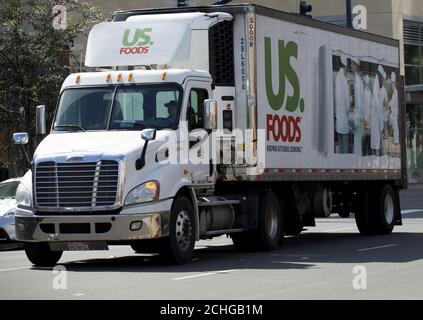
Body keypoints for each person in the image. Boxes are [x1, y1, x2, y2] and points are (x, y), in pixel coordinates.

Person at [335, 54, 351, 154]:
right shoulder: (344, 80)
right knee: (345, 144)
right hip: (344, 118)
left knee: (340, 143)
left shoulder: (337, 77)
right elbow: (346, 102)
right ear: (345, 66)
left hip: (339, 117)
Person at [351, 57, 364, 156]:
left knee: (357, 142)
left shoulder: (358, 81)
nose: (351, 66)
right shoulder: (357, 79)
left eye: (352, 64)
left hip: (358, 116)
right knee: (357, 141)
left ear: (356, 65)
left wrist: (357, 117)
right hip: (357, 115)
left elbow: (359, 100)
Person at [362, 75, 372, 155]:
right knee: (365, 138)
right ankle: (365, 153)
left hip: (369, 119)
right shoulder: (363, 92)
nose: (367, 84)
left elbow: (371, 106)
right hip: (365, 119)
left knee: (368, 138)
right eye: (366, 83)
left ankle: (368, 152)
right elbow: (363, 106)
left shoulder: (369, 92)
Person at [390, 72, 399, 145]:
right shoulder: (393, 93)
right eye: (391, 83)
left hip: (395, 113)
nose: (391, 85)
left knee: (395, 127)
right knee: (394, 127)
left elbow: (394, 104)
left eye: (392, 83)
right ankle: (395, 140)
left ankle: (396, 140)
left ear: (394, 83)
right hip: (393, 113)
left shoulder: (396, 93)